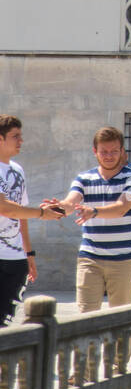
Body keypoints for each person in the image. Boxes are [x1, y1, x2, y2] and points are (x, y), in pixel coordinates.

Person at [49, 127, 131, 313]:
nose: (108, 156)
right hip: (90, 257)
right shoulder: (84, 178)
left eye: (114, 151)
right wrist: (59, 207)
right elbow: (71, 202)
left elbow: (122, 208)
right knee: (86, 316)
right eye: (104, 152)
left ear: (122, 152)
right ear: (95, 152)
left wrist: (93, 211)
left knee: (120, 318)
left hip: (123, 259)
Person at [0, 114, 64, 326]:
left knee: (5, 323)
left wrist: (29, 255)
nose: (21, 141)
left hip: (16, 260)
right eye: (15, 136)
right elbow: (5, 208)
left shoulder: (18, 170)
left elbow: (22, 216)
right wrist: (41, 213)